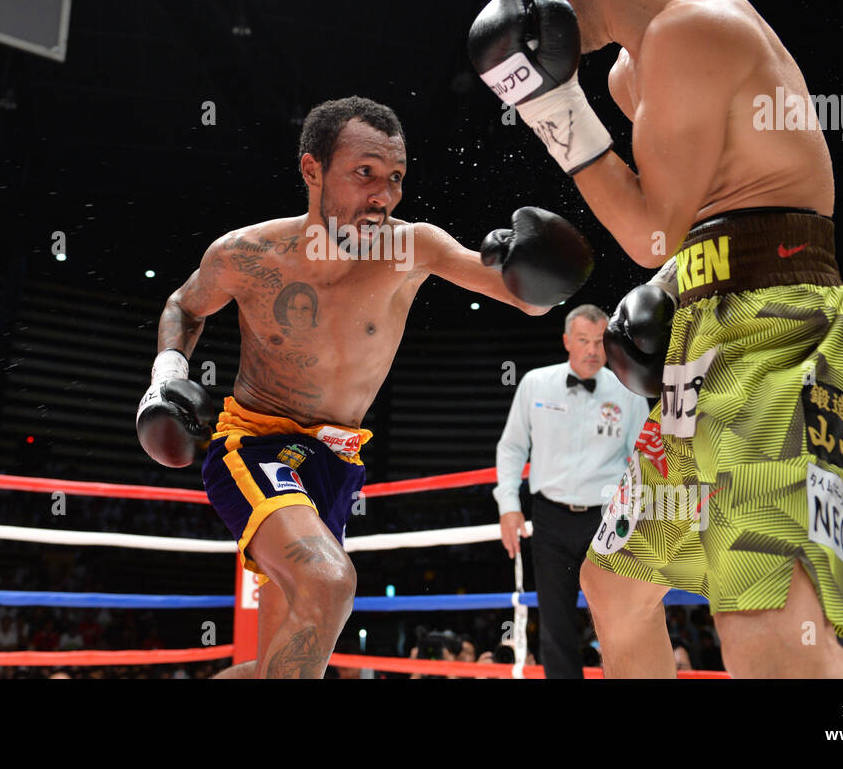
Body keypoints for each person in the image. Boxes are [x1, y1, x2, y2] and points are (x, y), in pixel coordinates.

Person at [471, 0, 843, 677]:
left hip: (777, 331)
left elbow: (655, 231)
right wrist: (665, 291)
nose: (525, 14)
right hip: (707, 329)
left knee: (768, 627)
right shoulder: (627, 72)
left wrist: (551, 110)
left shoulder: (695, 28)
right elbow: (685, 234)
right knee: (615, 585)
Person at [137, 96, 592, 679]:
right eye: (365, 173)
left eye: (395, 178)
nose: (383, 194)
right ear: (312, 170)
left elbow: (528, 299)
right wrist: (168, 373)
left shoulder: (412, 248)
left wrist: (537, 264)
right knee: (329, 583)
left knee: (280, 663)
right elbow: (183, 305)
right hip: (257, 447)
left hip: (336, 462)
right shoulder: (249, 255)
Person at [494, 304, 649, 678]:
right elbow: (512, 448)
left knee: (617, 617)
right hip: (549, 517)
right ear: (567, 341)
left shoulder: (628, 390)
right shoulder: (535, 384)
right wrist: (509, 506)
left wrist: (642, 519)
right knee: (555, 619)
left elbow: (642, 460)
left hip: (608, 519)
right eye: (583, 340)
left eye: (599, 341)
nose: (593, 350)